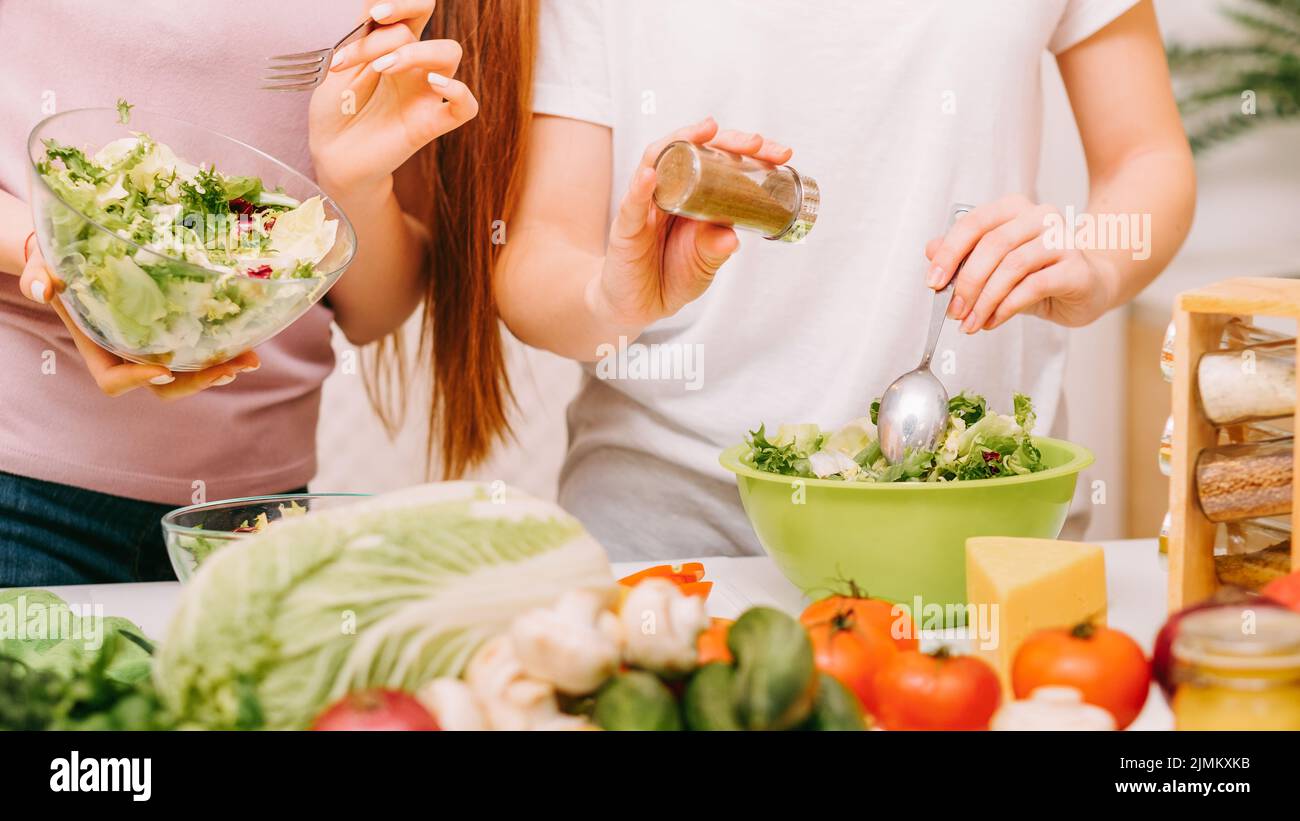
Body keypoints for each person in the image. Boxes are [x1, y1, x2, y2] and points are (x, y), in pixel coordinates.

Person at [495, 0, 1196, 559]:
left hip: (984, 509)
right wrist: (610, 299)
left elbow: (1147, 156)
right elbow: (538, 250)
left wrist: (1096, 258)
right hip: (678, 527)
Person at [0, 0, 521, 585]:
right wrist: (58, 250)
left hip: (253, 518)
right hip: (20, 492)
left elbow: (376, 312)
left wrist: (355, 182)